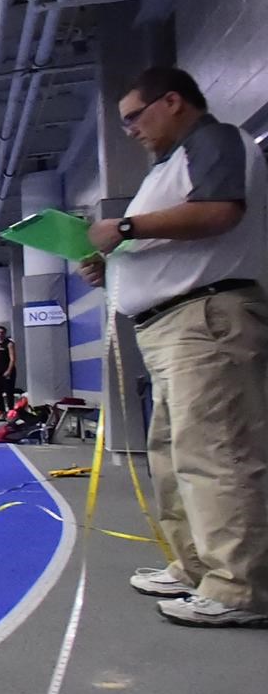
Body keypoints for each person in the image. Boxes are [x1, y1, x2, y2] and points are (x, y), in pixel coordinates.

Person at [76, 65, 268, 628]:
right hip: (170, 327)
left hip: (204, 321)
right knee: (173, 452)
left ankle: (239, 587)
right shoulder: (167, 170)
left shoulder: (213, 141)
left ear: (173, 102)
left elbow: (220, 212)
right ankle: (194, 567)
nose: (131, 129)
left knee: (218, 454)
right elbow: (173, 235)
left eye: (135, 117)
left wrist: (126, 232)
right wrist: (113, 261)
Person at [0, 325, 18, 417]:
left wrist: (9, 370)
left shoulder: (9, 344)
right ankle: (0, 409)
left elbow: (13, 359)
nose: (0, 334)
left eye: (1, 332)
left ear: (5, 334)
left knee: (9, 391)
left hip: (9, 370)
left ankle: (10, 411)